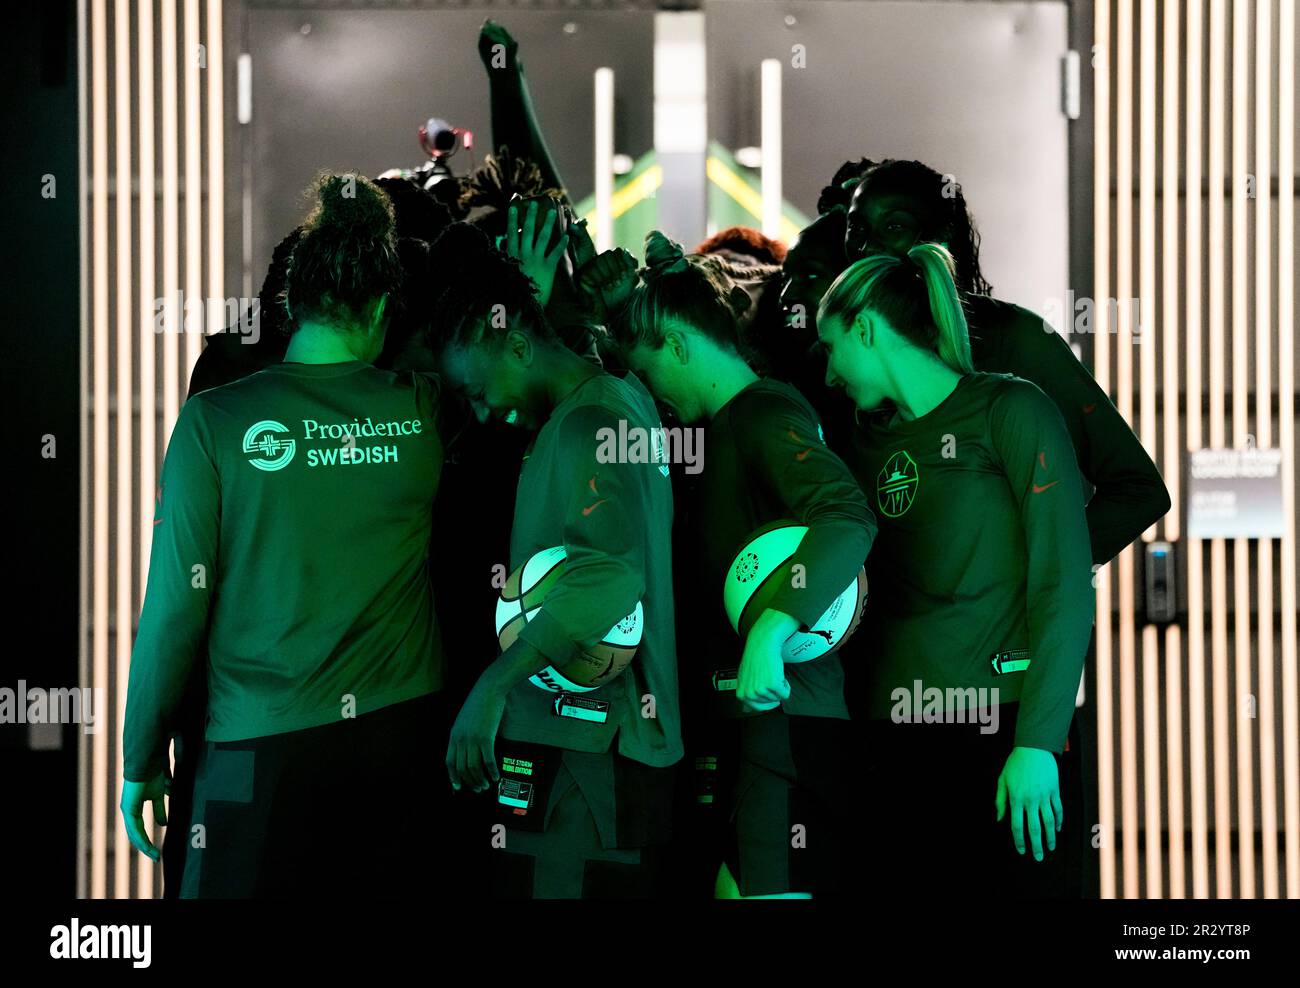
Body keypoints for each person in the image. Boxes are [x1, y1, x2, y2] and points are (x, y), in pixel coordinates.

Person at [121, 173, 452, 897]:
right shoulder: (423, 410)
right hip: (401, 749)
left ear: (291, 301)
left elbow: (174, 610)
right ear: (381, 306)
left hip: (257, 752)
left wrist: (140, 755)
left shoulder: (214, 422)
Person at [817, 242, 1095, 895]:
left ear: (866, 329)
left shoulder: (1012, 411)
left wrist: (1037, 744)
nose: (829, 373)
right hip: (889, 743)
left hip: (1003, 733)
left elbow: (1062, 586)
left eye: (832, 347)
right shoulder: (859, 444)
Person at [611, 231, 876, 898]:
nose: (651, 394)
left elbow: (848, 516)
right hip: (734, 724)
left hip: (782, 720)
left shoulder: (764, 412)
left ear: (677, 347)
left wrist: (771, 630)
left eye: (649, 373)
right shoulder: (712, 431)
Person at [427, 222, 681, 899]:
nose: (482, 413)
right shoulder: (612, 397)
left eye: (477, 389)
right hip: (592, 750)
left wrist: (494, 685)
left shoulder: (588, 424)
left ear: (517, 344)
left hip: (590, 756)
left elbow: (613, 573)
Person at [843, 158, 1171, 565]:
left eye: (893, 227)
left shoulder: (1015, 340)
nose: (867, 247)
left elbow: (1137, 490)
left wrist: (1031, 580)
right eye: (856, 229)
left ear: (940, 237)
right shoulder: (837, 354)